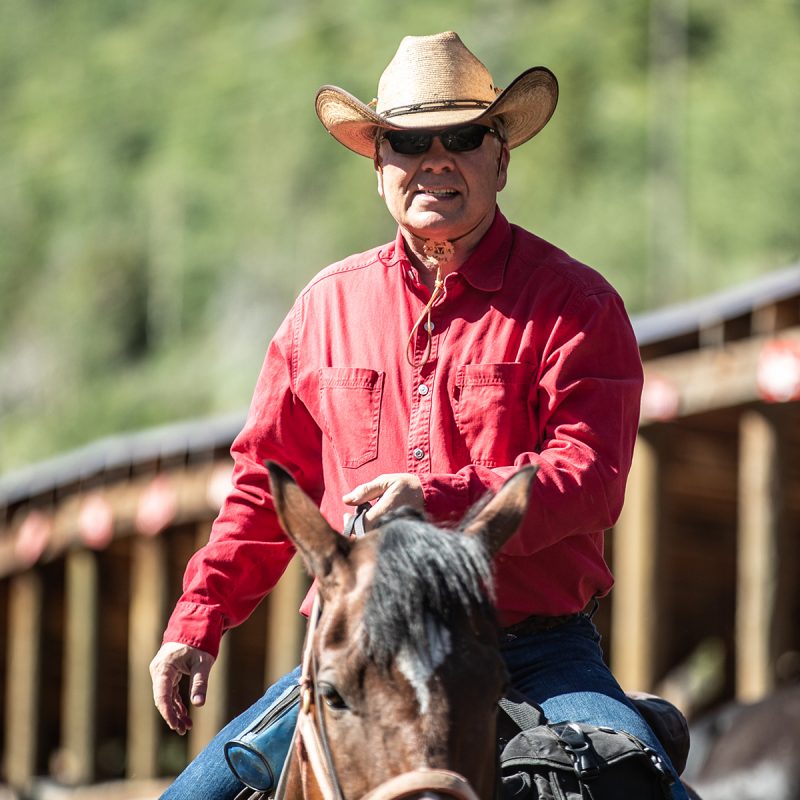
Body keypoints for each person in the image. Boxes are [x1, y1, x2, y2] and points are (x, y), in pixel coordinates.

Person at [150, 31, 689, 800]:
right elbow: (263, 491)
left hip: (532, 647)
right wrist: (195, 622)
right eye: (407, 141)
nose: (435, 158)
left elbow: (591, 476)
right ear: (379, 169)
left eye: (464, 136)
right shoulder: (321, 310)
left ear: (500, 159)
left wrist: (436, 500)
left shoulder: (578, 305)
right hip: (355, 654)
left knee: (644, 787)